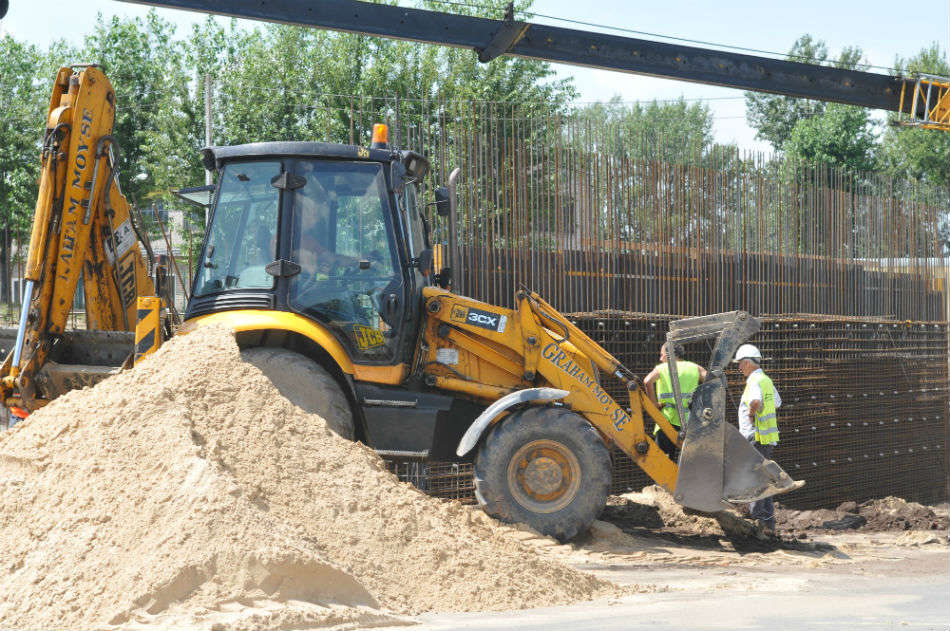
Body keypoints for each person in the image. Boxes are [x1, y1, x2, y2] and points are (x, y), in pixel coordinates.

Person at [734, 343, 782, 534]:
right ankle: (768, 522)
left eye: (740, 364)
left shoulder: (754, 381)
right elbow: (777, 402)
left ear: (747, 363)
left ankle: (758, 522)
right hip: (766, 437)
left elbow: (755, 401)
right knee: (765, 479)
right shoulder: (766, 380)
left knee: (755, 479)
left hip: (756, 436)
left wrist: (752, 415)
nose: (739, 368)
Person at [643, 343, 707, 460]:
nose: (660, 358)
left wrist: (654, 405)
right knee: (689, 461)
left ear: (669, 355)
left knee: (664, 463)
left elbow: (647, 381)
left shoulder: (662, 368)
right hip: (690, 422)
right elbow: (713, 381)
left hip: (667, 421)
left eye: (661, 355)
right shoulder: (695, 368)